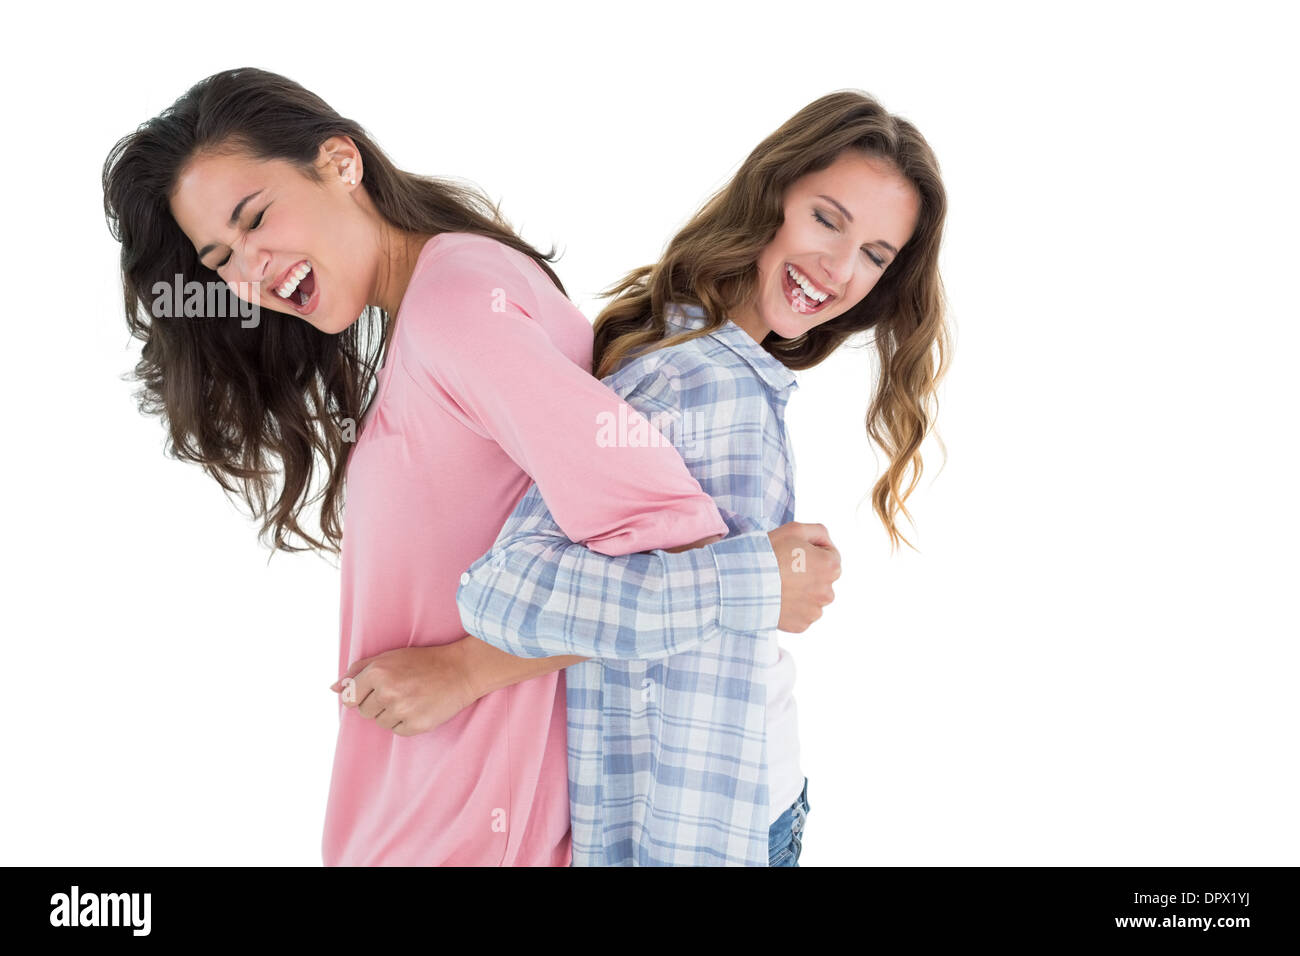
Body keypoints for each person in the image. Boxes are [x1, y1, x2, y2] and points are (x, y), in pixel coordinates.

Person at [101, 66, 838, 866]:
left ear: (340, 162)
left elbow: (668, 530)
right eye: (221, 258)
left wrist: (465, 670)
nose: (251, 267)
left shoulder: (456, 307)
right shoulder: (443, 294)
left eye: (256, 217)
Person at [445, 90, 950, 865]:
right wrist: (758, 582)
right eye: (828, 219)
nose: (841, 270)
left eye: (877, 256)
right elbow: (503, 589)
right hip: (717, 829)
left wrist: (762, 583)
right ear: (772, 194)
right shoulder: (692, 379)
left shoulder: (731, 367)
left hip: (757, 797)